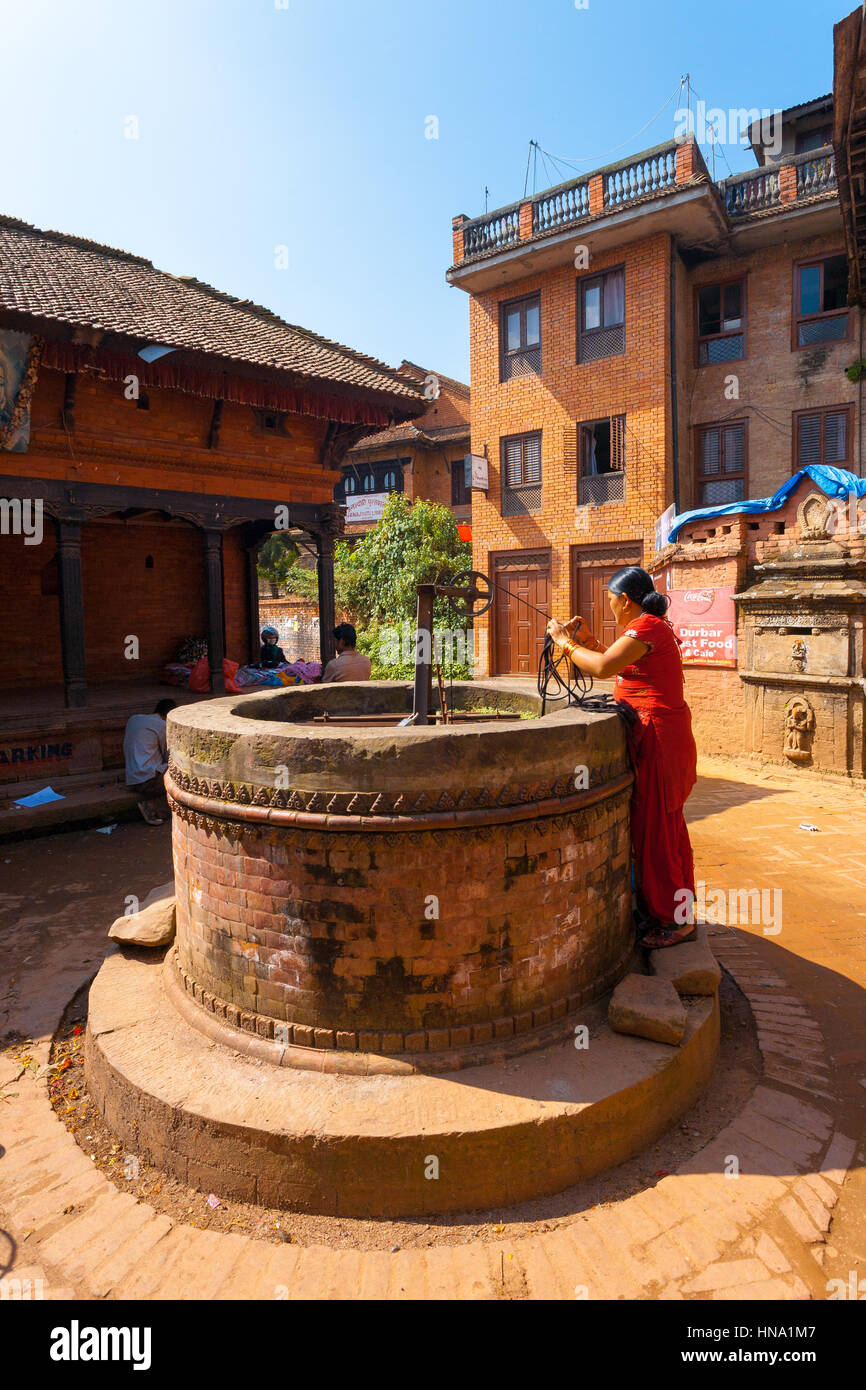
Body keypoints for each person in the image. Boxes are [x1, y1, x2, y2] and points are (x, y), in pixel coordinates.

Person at [546, 566, 698, 950]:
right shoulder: (650, 628)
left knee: (658, 835)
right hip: (664, 738)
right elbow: (621, 664)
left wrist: (565, 642)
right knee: (667, 828)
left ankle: (674, 921)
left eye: (610, 599)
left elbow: (601, 667)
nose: (609, 605)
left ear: (625, 600)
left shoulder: (646, 628)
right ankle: (677, 910)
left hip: (660, 742)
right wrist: (590, 641)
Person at [123, 699, 176, 826]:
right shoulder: (163, 725)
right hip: (147, 780)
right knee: (179, 773)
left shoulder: (133, 719)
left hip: (131, 779)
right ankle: (152, 807)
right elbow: (169, 756)